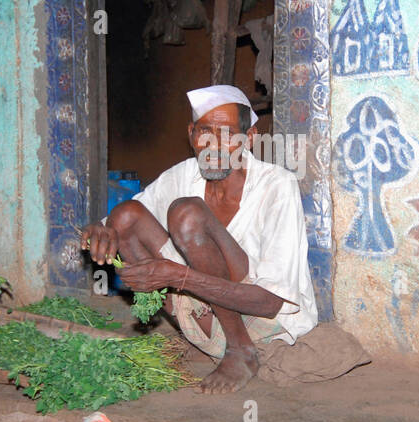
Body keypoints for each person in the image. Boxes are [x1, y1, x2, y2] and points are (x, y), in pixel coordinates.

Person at [81, 85, 320, 394]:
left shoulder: (277, 186)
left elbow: (271, 302)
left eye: (228, 134)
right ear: (191, 132)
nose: (213, 146)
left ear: (249, 138)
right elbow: (120, 224)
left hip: (262, 323)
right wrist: (99, 231)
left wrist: (180, 277)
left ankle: (240, 351)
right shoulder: (184, 175)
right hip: (202, 319)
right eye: (204, 132)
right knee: (124, 215)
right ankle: (214, 340)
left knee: (187, 213)